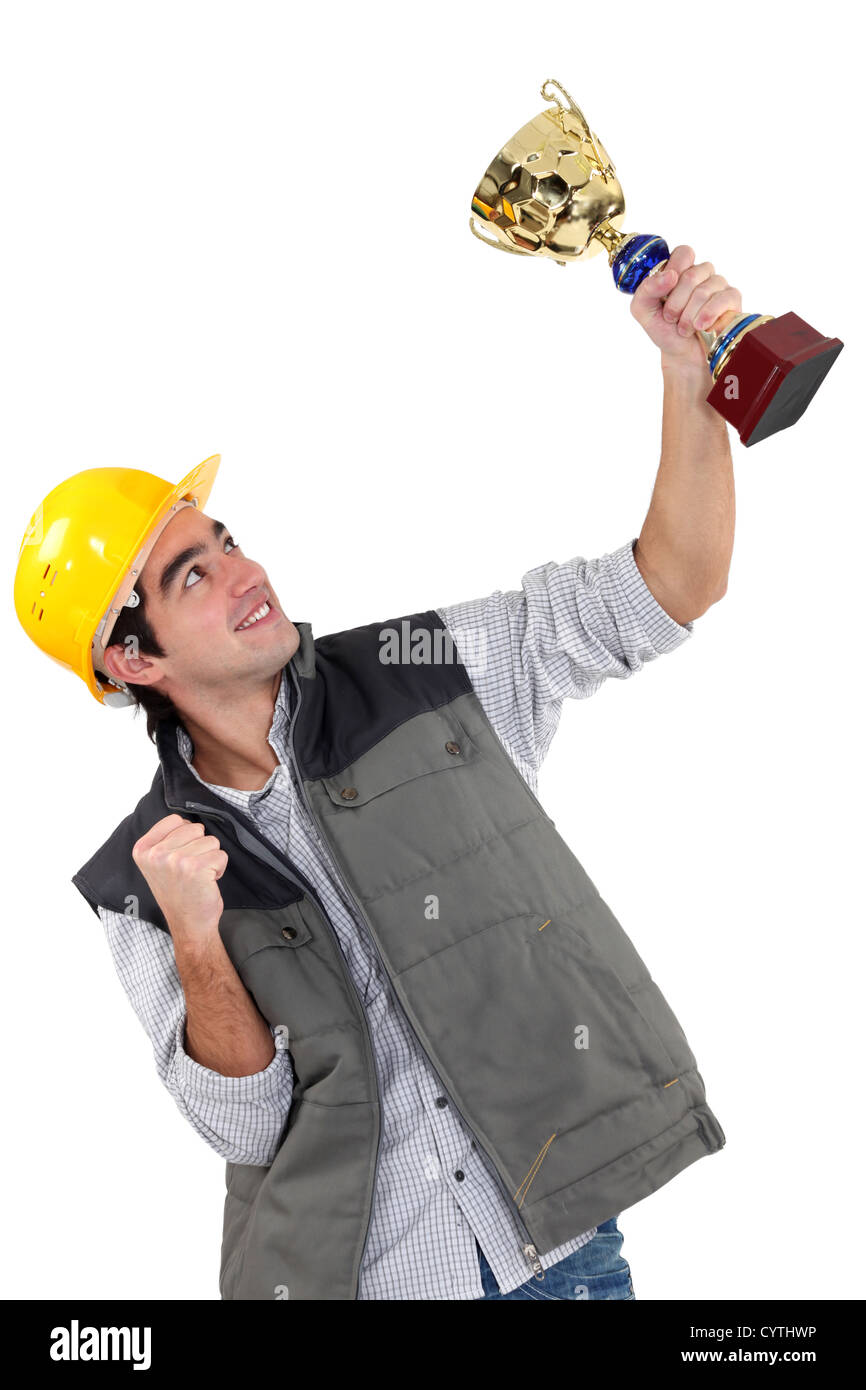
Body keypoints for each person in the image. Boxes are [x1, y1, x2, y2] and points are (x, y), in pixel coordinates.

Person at [14, 246, 735, 1300]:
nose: (243, 573)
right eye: (192, 575)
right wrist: (198, 933)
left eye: (225, 539)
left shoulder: (420, 672)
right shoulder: (138, 879)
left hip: (552, 1256)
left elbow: (666, 588)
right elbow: (245, 1124)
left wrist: (687, 381)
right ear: (135, 659)